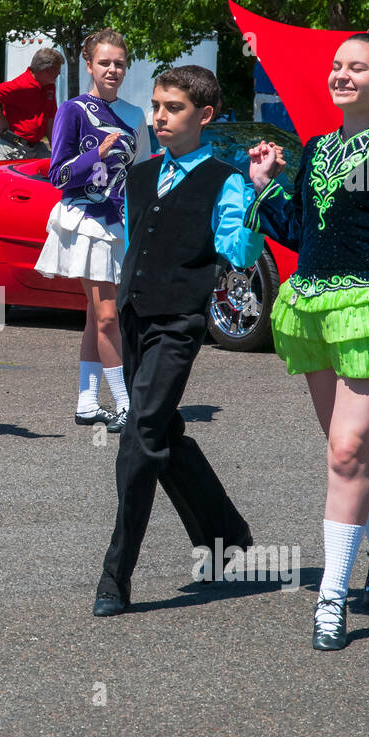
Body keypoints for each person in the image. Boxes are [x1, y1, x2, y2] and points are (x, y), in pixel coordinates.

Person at [245, 26, 369, 650]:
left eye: (357, 68)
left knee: (343, 449)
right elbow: (301, 231)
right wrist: (267, 185)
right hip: (312, 306)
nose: (341, 75)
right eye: (337, 65)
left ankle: (330, 600)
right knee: (346, 448)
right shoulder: (315, 145)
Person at [94, 66, 274, 616]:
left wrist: (259, 193)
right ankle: (224, 535)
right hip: (134, 318)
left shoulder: (227, 180)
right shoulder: (142, 175)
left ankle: (116, 574)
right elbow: (135, 242)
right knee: (164, 432)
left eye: (172, 107)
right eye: (155, 105)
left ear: (205, 116)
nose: (159, 116)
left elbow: (239, 256)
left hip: (178, 325)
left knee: (140, 437)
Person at [36, 27, 150, 432]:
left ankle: (87, 402)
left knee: (94, 316)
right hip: (85, 222)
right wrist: (95, 154)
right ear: (89, 65)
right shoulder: (73, 110)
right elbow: (57, 174)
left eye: (119, 63)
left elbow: (142, 176)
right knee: (107, 317)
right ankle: (125, 403)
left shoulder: (136, 115)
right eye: (104, 62)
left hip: (121, 225)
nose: (113, 69)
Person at [0, 48, 62, 159]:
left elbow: (50, 119)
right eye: (57, 69)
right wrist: (2, 118)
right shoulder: (21, 85)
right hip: (11, 148)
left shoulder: (49, 87)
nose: (59, 73)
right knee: (8, 176)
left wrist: (55, 148)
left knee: (56, 171)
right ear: (46, 71)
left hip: (35, 147)